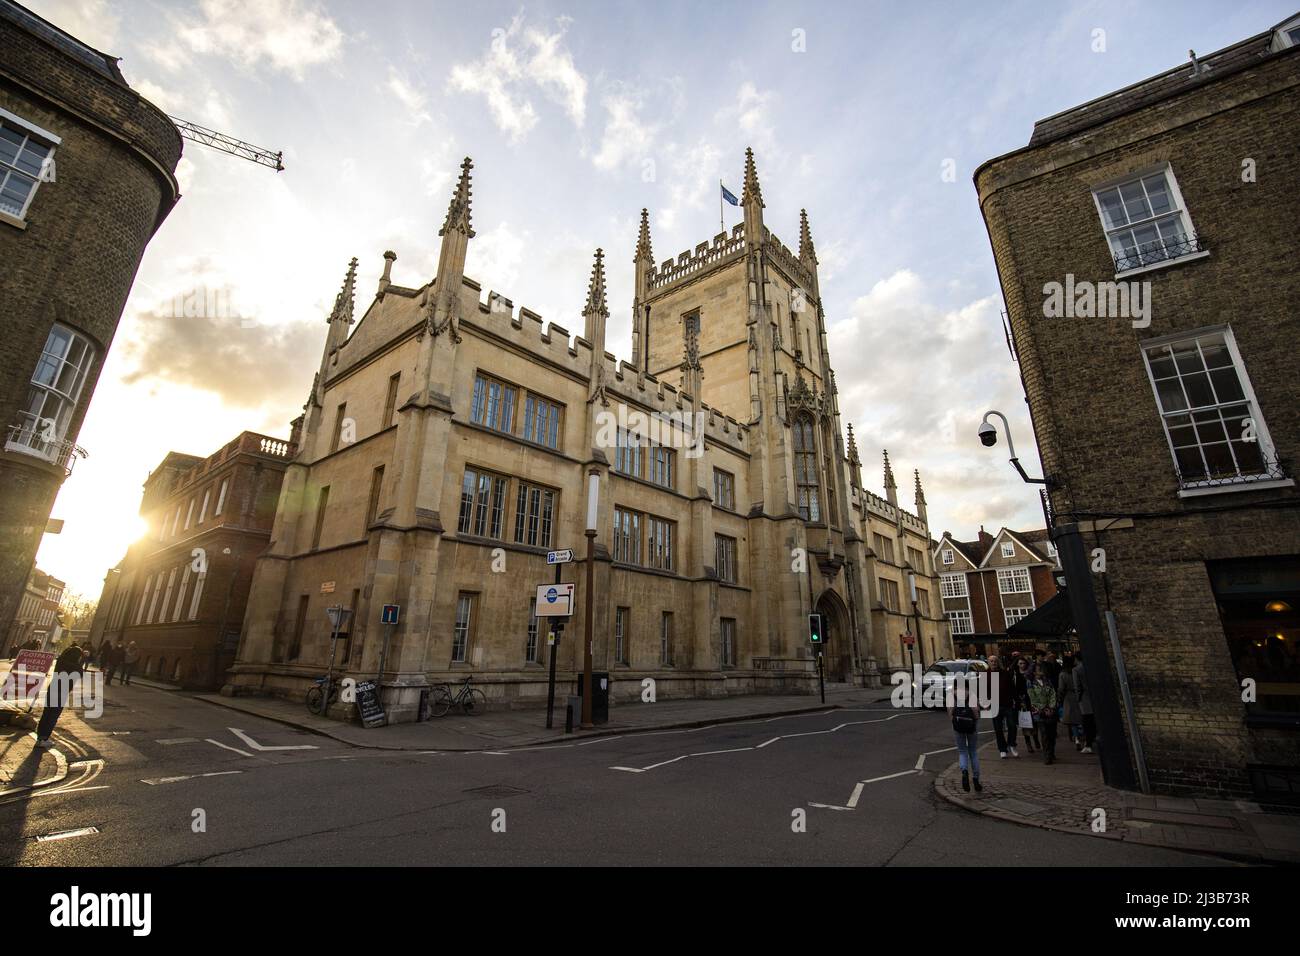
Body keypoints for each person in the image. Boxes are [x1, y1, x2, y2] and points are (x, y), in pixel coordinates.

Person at [35, 642, 84, 747]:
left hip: (52, 688)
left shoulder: (61, 661)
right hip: (62, 692)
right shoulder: (76, 666)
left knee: (46, 714)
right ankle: (44, 739)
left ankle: (40, 738)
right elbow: (81, 674)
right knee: (53, 716)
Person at [949, 690, 983, 793]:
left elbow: (950, 713)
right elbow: (976, 713)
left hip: (958, 726)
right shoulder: (972, 695)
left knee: (962, 751)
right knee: (973, 751)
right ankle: (976, 779)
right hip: (971, 727)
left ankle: (964, 772)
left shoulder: (952, 696)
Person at [1027, 665, 1060, 764]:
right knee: (1044, 734)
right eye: (1039, 670)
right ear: (1034, 672)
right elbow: (1033, 698)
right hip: (1039, 713)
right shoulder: (1031, 683)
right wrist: (1043, 709)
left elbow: (1053, 694)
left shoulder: (1048, 681)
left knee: (1052, 734)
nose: (1042, 671)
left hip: (1051, 711)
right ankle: (1047, 755)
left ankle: (1052, 751)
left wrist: (1051, 707)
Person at [988, 655, 1019, 759]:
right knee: (998, 729)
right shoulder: (985, 674)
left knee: (1012, 726)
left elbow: (1012, 688)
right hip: (994, 705)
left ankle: (1012, 744)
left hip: (1008, 704)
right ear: (989, 663)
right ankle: (1002, 749)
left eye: (995, 661)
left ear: (998, 662)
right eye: (991, 661)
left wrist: (1016, 700)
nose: (993, 663)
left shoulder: (1005, 673)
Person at [1074, 649, 1096, 753]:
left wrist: (1078, 699)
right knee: (1094, 721)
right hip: (1095, 697)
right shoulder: (1092, 666)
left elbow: (1077, 687)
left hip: (1085, 699)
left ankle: (1088, 744)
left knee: (1087, 722)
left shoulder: (1077, 670)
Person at [1058, 653, 1082, 749]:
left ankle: (1076, 738)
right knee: (1081, 718)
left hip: (1068, 697)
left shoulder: (1063, 674)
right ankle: (1083, 736)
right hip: (1079, 696)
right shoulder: (1076, 671)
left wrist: (1059, 698)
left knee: (1073, 721)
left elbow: (1061, 688)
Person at [1016, 658, 1039, 753]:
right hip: (1022, 701)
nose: (1022, 665)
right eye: (1020, 663)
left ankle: (1036, 738)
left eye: (1024, 663)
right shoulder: (1016, 675)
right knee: (1025, 722)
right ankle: (1028, 743)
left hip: (1031, 700)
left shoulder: (1030, 674)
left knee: (1034, 721)